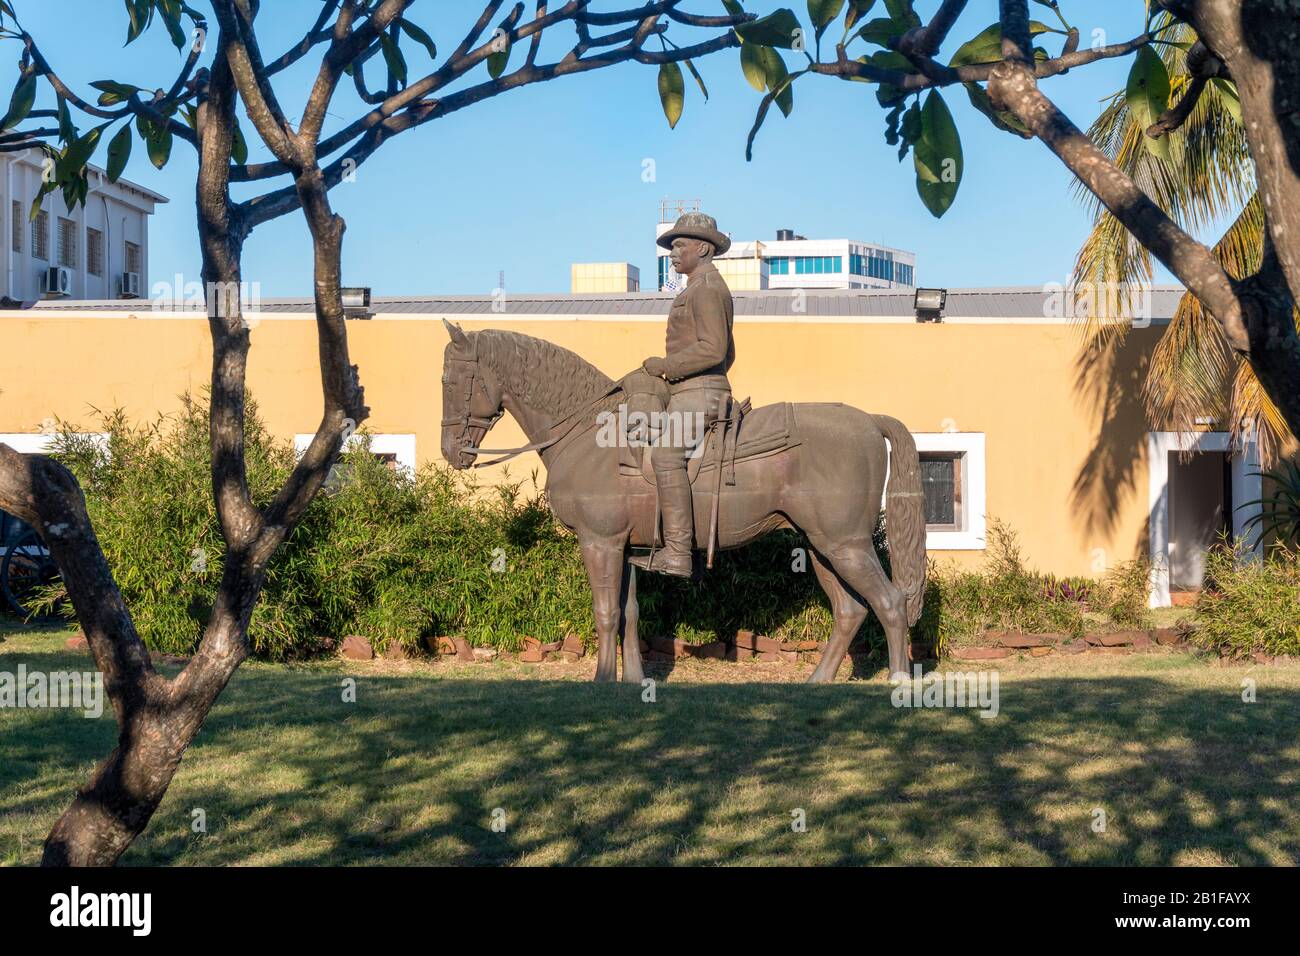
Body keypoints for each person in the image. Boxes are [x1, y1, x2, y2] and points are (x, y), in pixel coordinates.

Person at [630, 212, 735, 577]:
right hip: (689, 393)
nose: (672, 254)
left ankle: (677, 551)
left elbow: (715, 350)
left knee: (664, 455)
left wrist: (666, 365)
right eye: (672, 247)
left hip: (699, 396)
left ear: (703, 248)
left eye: (679, 246)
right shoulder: (698, 287)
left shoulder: (706, 289)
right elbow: (728, 352)